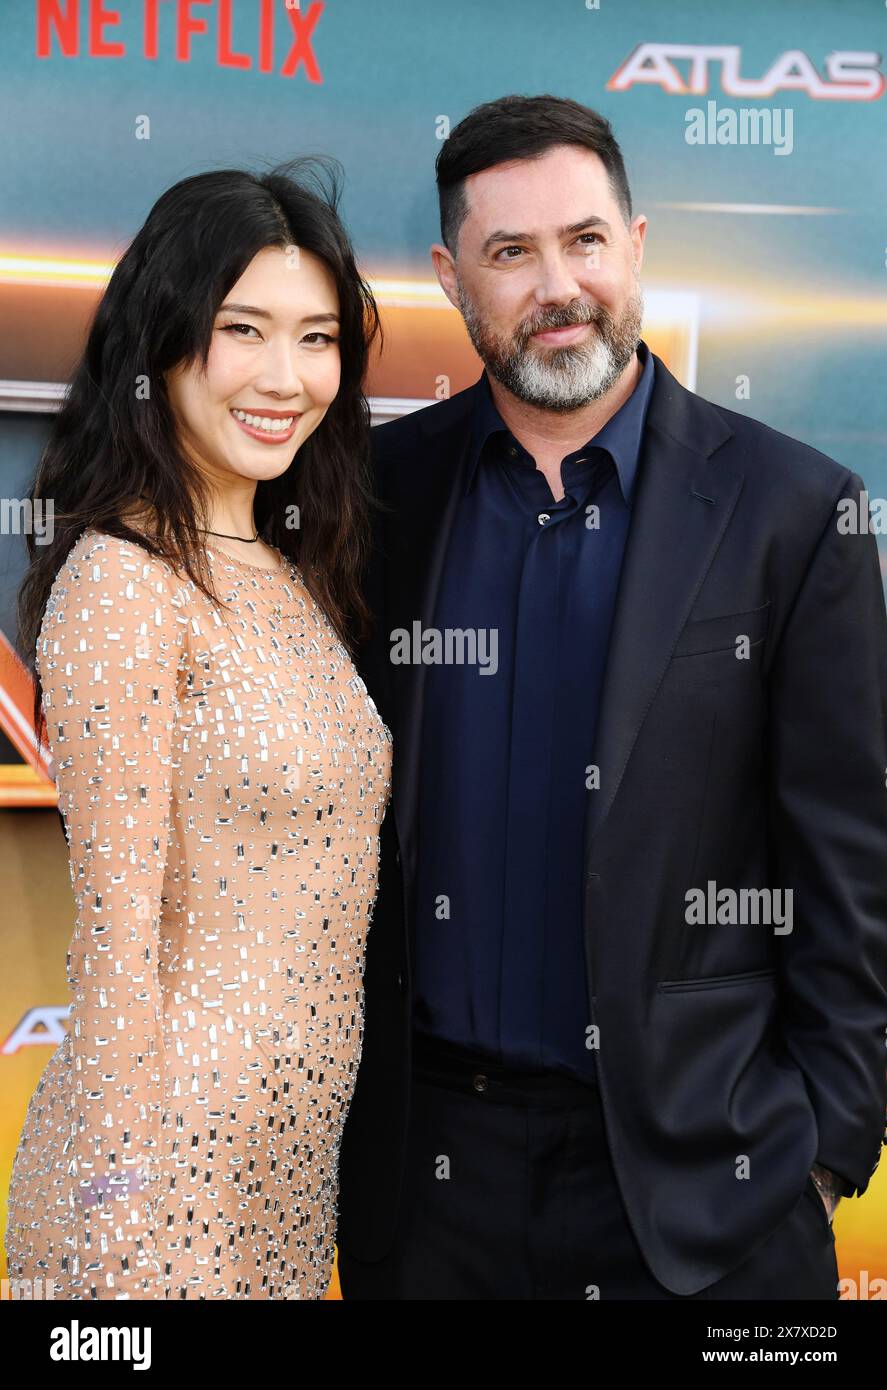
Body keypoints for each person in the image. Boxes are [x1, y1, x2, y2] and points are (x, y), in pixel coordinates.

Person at [335, 94, 887, 1300]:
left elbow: (852, 863)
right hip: (428, 1191)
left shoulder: (793, 512)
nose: (557, 285)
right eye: (510, 252)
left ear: (635, 244)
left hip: (705, 1194)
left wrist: (826, 1149)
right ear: (449, 276)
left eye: (583, 240)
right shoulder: (374, 497)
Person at [5, 157, 392, 1299]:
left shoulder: (290, 570)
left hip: (286, 1180)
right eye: (244, 330)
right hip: (158, 1193)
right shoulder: (124, 587)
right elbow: (115, 950)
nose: (287, 376)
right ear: (163, 346)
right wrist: (116, 1228)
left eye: (317, 338)